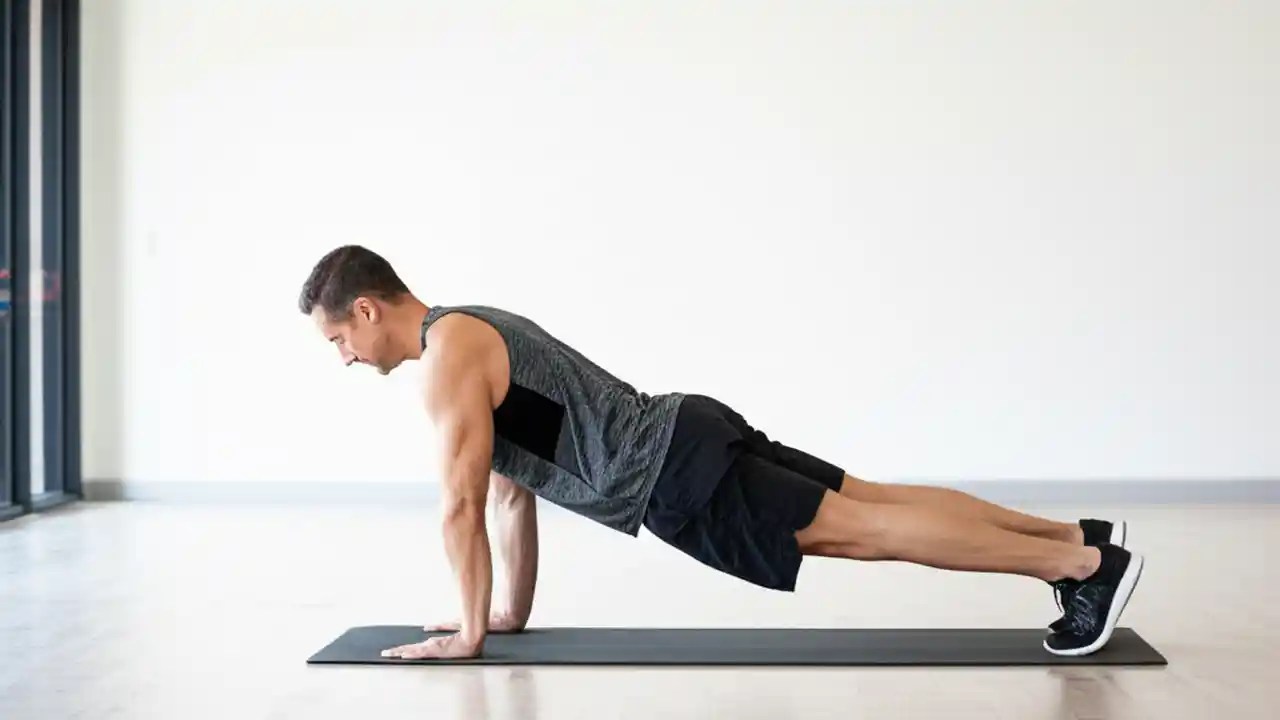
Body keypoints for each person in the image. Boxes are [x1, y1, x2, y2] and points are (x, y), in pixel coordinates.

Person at [298, 245, 1144, 661]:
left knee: (869, 531)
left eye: (338, 337)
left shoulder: (446, 360)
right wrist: (502, 616)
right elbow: (513, 495)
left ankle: (1077, 567)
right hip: (689, 427)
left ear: (368, 310)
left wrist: (469, 637)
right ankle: (1074, 537)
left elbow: (458, 505)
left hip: (676, 475)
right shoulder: (471, 326)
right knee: (873, 501)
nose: (342, 358)